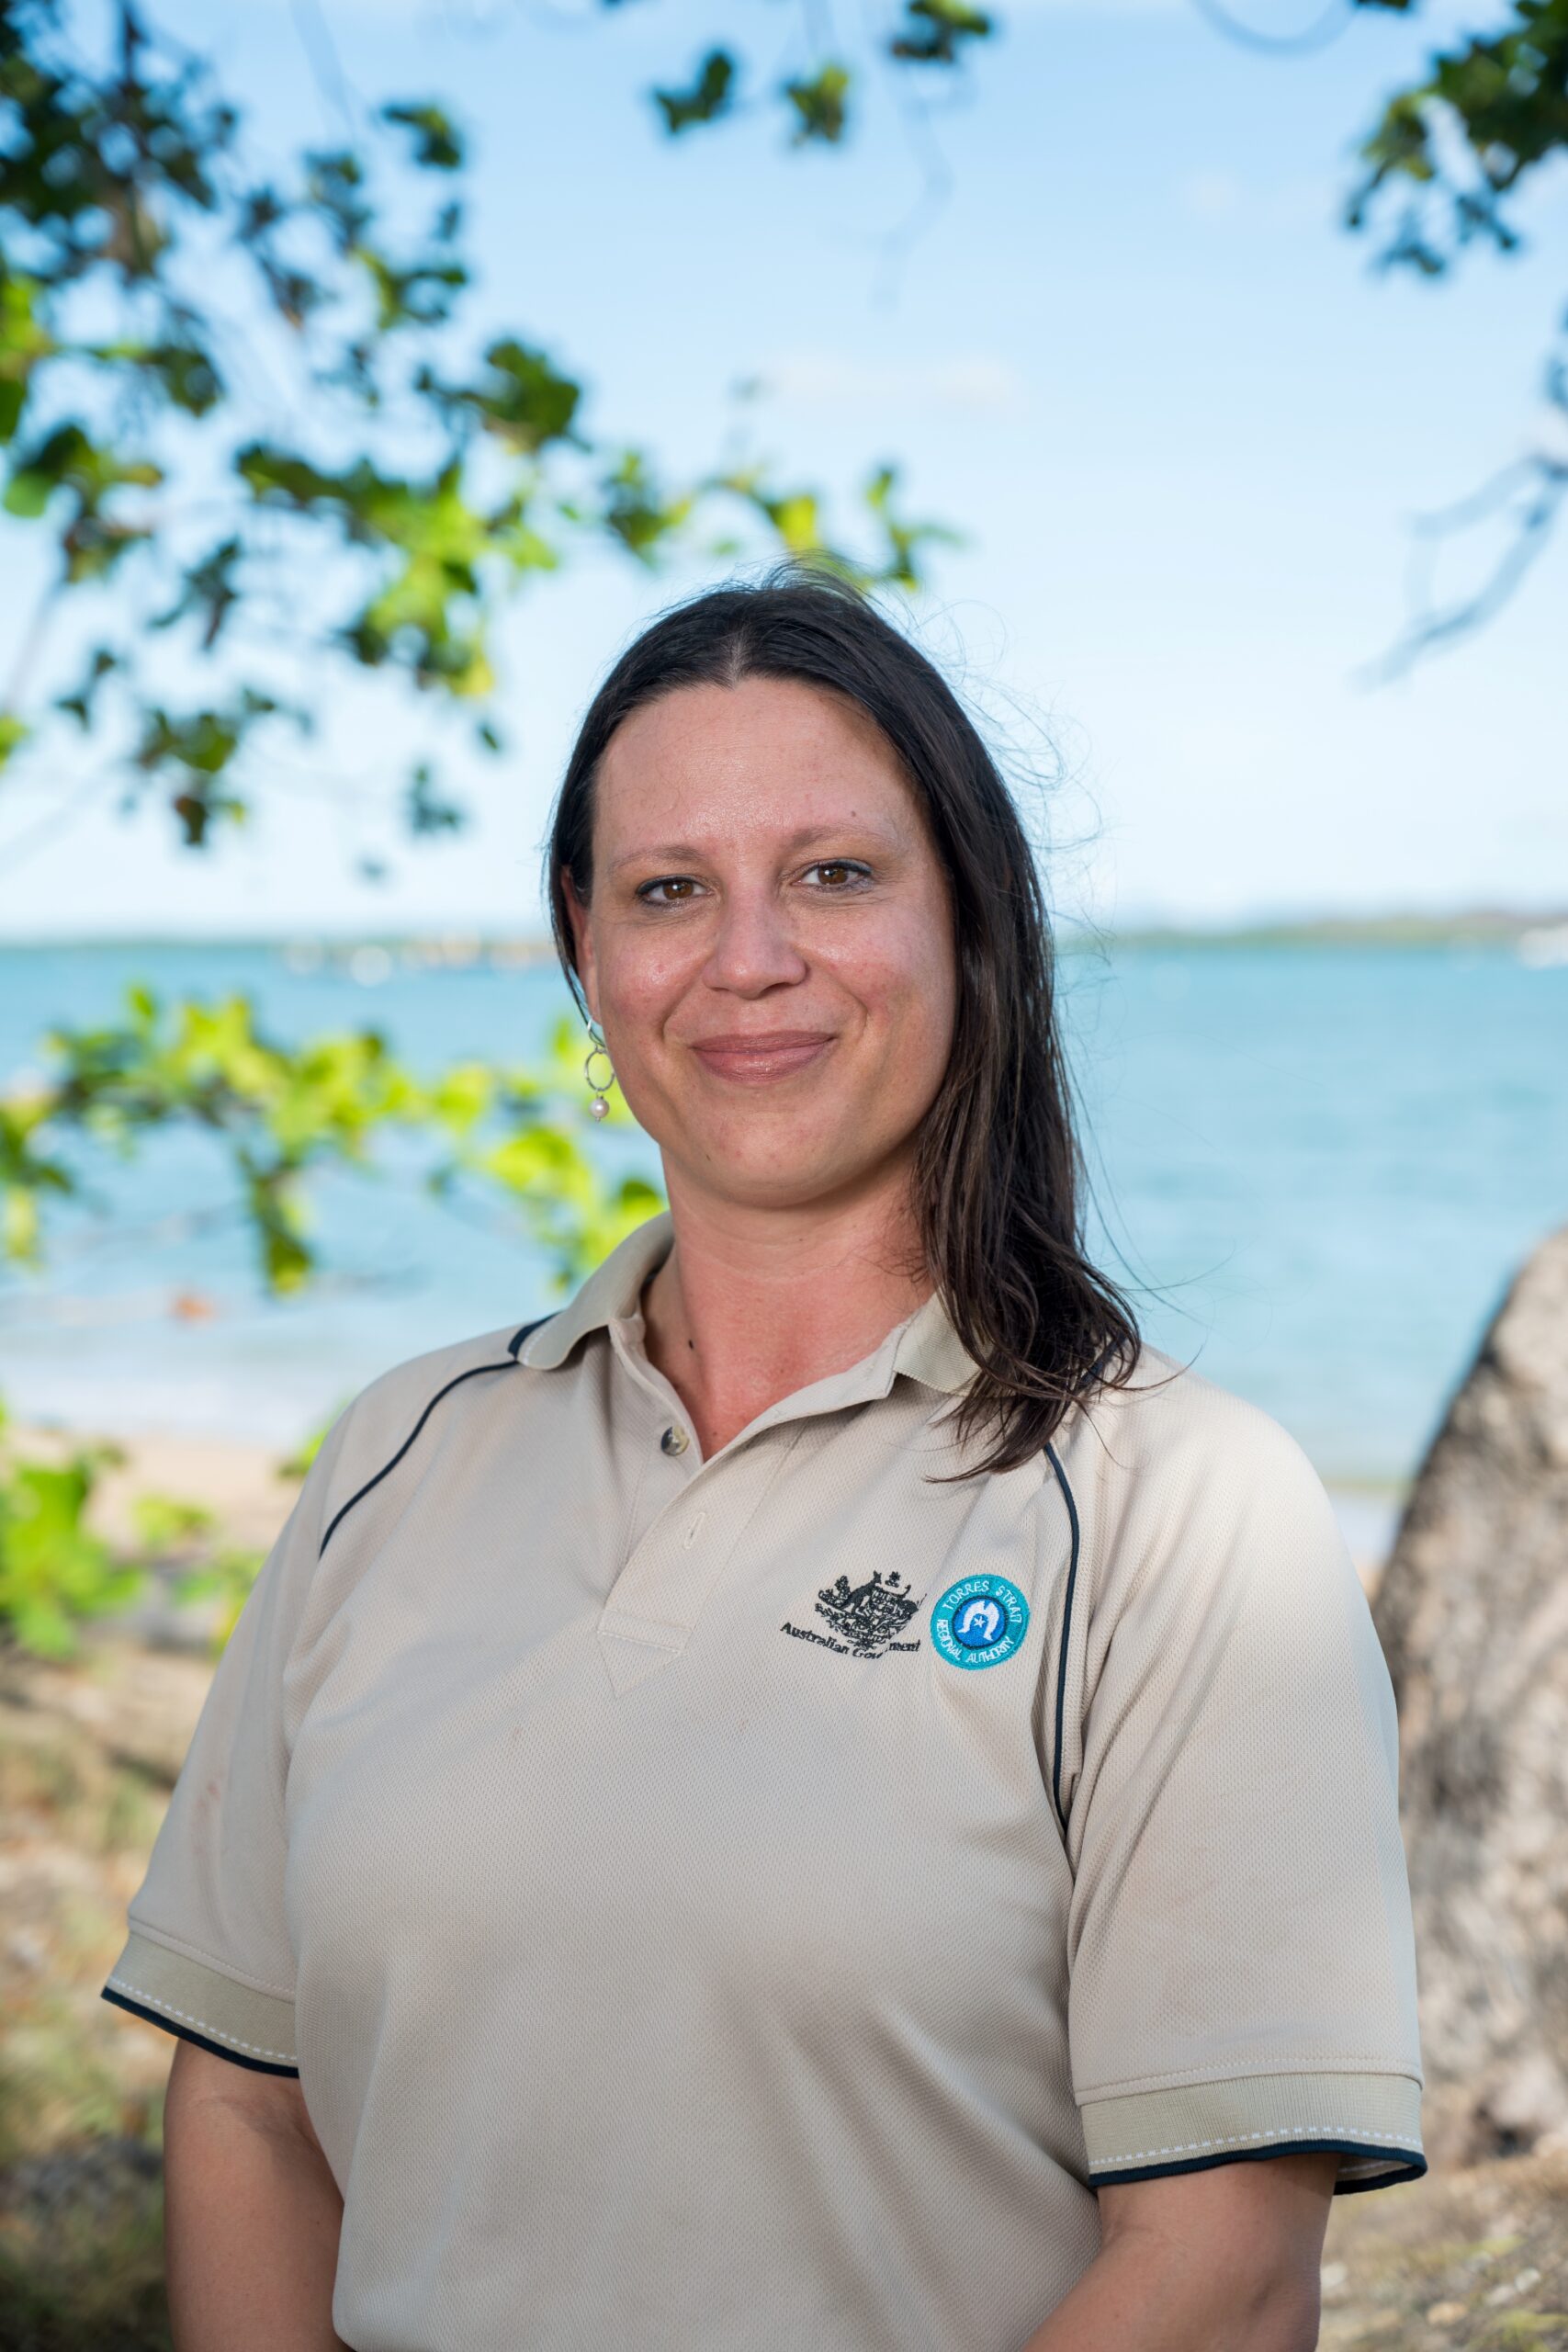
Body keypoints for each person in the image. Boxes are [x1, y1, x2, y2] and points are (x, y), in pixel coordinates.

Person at [102, 565, 1424, 2352]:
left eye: (832, 872)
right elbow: (249, 2103)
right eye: (668, 890)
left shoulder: (1180, 1508)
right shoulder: (390, 1461)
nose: (747, 957)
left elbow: (1219, 2275)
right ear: (586, 952)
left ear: (969, 918)